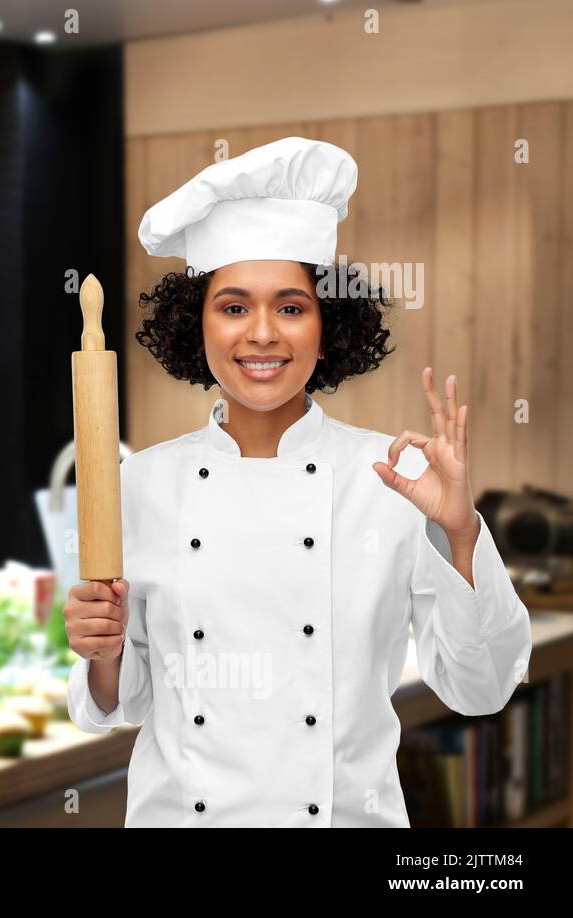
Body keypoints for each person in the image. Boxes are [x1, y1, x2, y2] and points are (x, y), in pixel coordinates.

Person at [64, 137, 532, 827]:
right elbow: (122, 701)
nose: (261, 335)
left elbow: (482, 687)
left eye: (290, 306)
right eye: (232, 307)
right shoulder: (138, 484)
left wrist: (459, 531)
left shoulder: (396, 477)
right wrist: (99, 651)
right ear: (196, 325)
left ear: (328, 323)